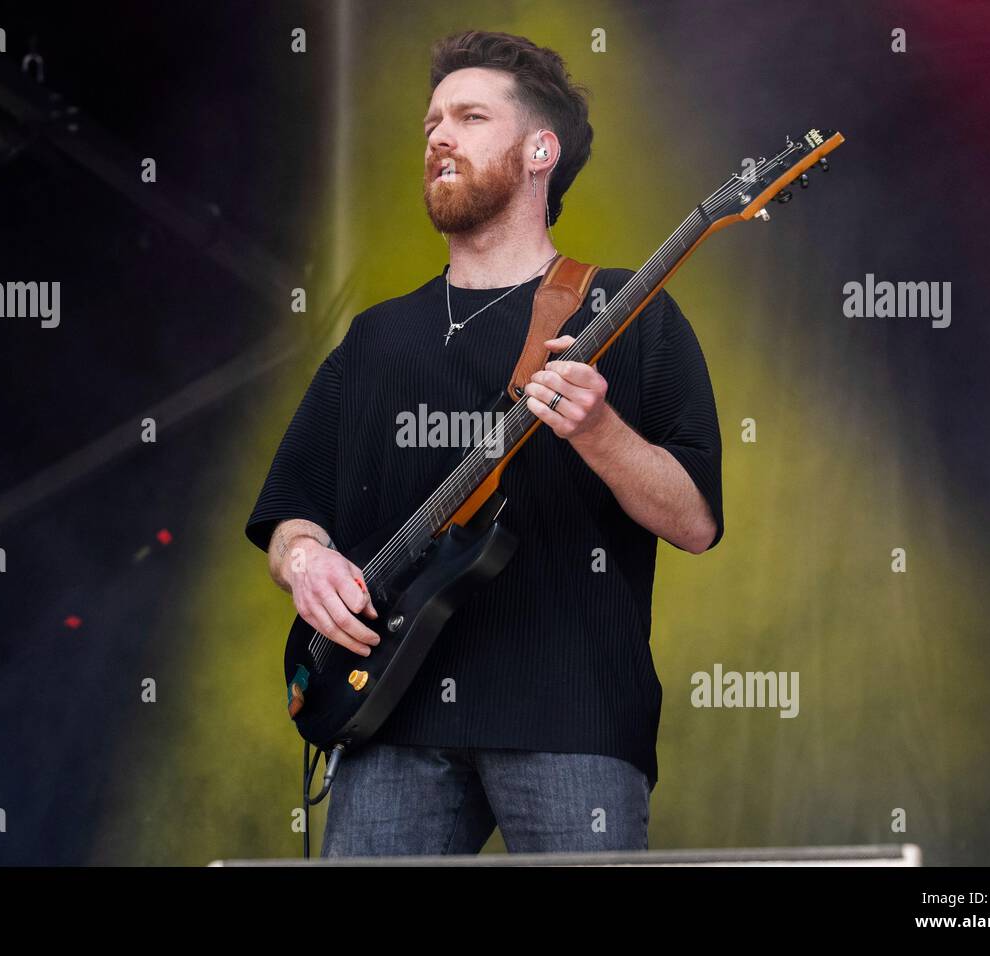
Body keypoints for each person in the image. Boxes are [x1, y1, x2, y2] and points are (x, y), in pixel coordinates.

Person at [245, 29, 723, 857]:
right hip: (388, 716)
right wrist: (305, 562)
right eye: (432, 121)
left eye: (469, 116)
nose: (438, 137)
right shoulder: (376, 338)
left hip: (570, 715)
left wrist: (599, 430)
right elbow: (292, 511)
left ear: (541, 149)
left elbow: (695, 522)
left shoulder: (625, 312)